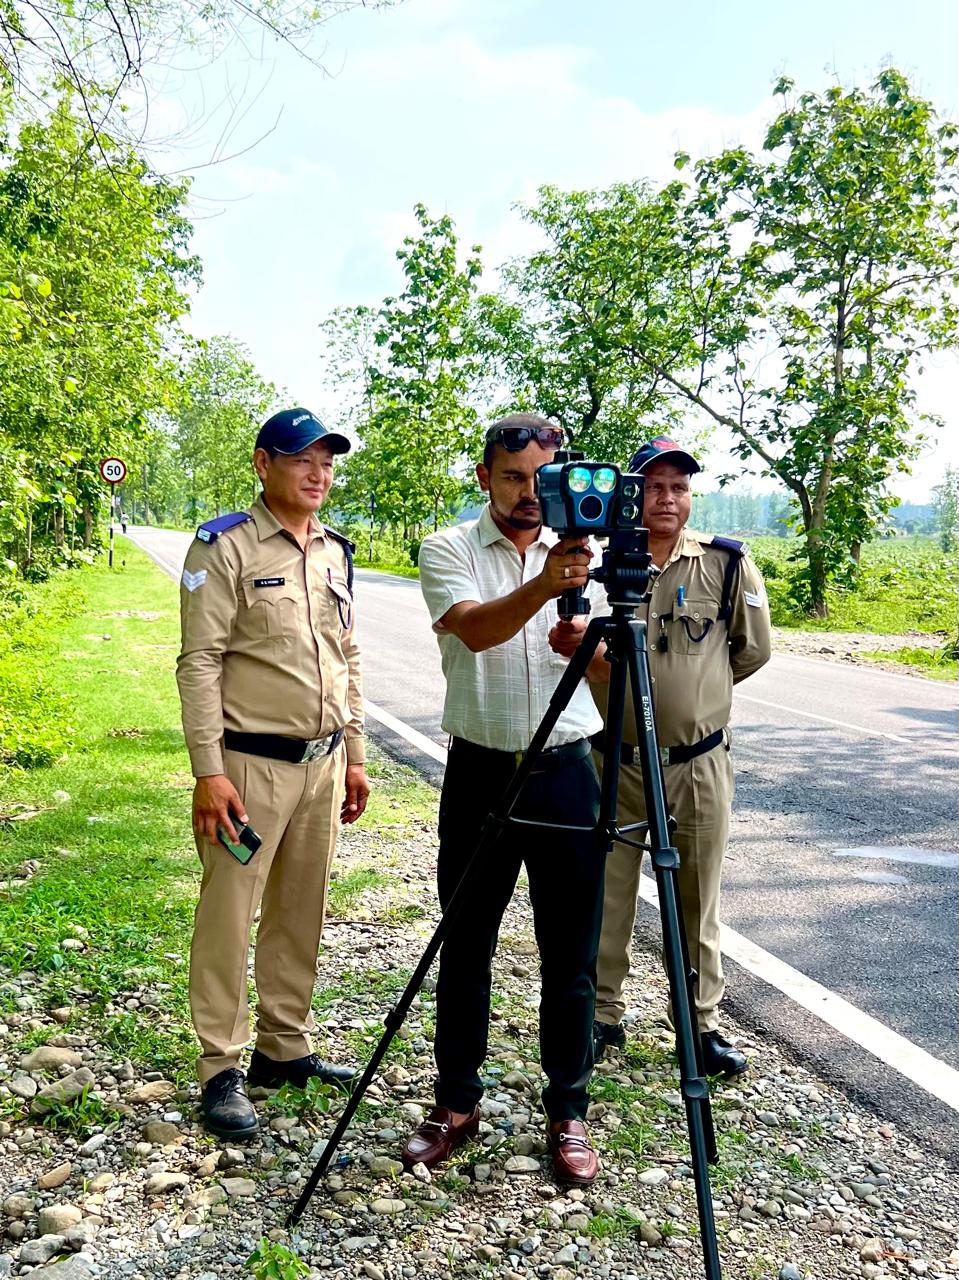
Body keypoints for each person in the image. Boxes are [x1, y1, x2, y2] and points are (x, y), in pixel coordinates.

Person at [401, 414, 609, 1186]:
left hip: (566, 772)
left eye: (541, 478)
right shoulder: (449, 548)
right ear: (485, 476)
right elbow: (474, 632)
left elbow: (620, 681)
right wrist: (545, 586)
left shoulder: (595, 552)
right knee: (465, 945)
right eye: (513, 476)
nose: (529, 494)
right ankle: (456, 1102)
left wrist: (591, 649)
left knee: (571, 956)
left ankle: (570, 1111)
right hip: (480, 772)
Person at [176, 406, 370, 1139]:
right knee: (229, 913)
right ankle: (220, 1066)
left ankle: (283, 1048)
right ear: (264, 464)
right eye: (301, 460)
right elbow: (199, 662)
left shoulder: (333, 551)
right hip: (247, 769)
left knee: (300, 909)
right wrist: (208, 770)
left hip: (320, 764)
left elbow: (347, 659)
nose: (318, 474)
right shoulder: (222, 547)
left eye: (326, 461)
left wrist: (353, 753)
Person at [564, 437, 771, 1077]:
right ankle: (601, 1017)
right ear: (634, 494)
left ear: (690, 496)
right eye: (654, 486)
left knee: (696, 897)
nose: (667, 497)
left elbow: (750, 651)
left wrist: (695, 699)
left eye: (678, 487)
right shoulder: (592, 564)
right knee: (608, 895)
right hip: (615, 760)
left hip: (697, 766)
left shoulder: (726, 565)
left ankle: (700, 1025)